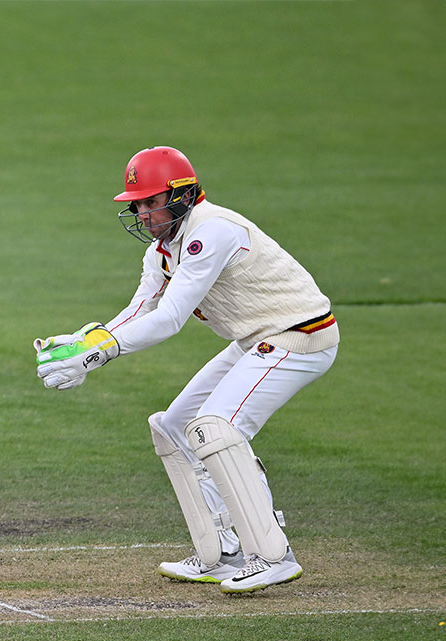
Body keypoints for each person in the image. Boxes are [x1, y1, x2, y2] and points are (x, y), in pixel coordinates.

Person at [34, 146, 339, 594]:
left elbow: (171, 318)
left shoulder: (211, 231)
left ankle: (272, 555)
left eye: (149, 202)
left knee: (216, 427)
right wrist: (85, 342)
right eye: (136, 204)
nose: (141, 213)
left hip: (301, 336)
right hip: (257, 340)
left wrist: (102, 352)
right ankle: (222, 551)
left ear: (180, 196)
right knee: (174, 427)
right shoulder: (162, 250)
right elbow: (140, 309)